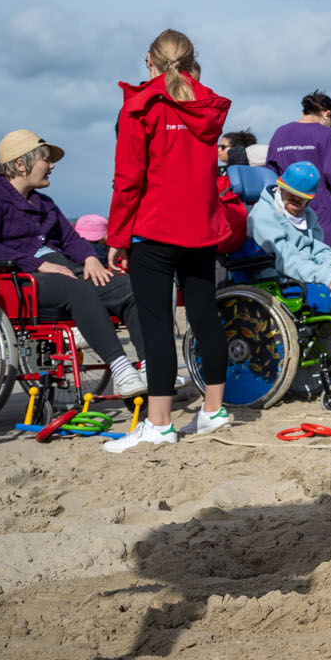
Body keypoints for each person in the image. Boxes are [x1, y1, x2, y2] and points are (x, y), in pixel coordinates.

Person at [101, 30, 237, 452]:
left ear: (149, 60)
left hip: (155, 228)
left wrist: (117, 236)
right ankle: (213, 410)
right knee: (204, 316)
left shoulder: (141, 106)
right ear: (192, 62)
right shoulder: (206, 106)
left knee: (157, 323)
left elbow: (128, 180)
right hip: (199, 228)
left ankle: (159, 424)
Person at [0, 129, 148, 396]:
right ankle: (121, 369)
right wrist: (36, 265)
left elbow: (71, 238)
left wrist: (91, 257)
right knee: (77, 289)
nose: (52, 165)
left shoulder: (43, 203)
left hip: (62, 270)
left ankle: (150, 369)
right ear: (21, 164)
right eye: (45, 159)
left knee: (132, 289)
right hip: (14, 279)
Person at [247, 163, 331, 353]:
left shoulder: (306, 214)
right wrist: (326, 274)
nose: (296, 200)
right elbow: (286, 259)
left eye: (302, 198)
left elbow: (318, 246)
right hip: (281, 276)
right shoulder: (263, 215)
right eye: (291, 194)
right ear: (280, 187)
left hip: (310, 271)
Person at [266, 92, 331, 251]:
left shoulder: (280, 133)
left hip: (286, 218)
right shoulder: (327, 134)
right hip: (321, 220)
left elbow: (271, 177)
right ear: (327, 114)